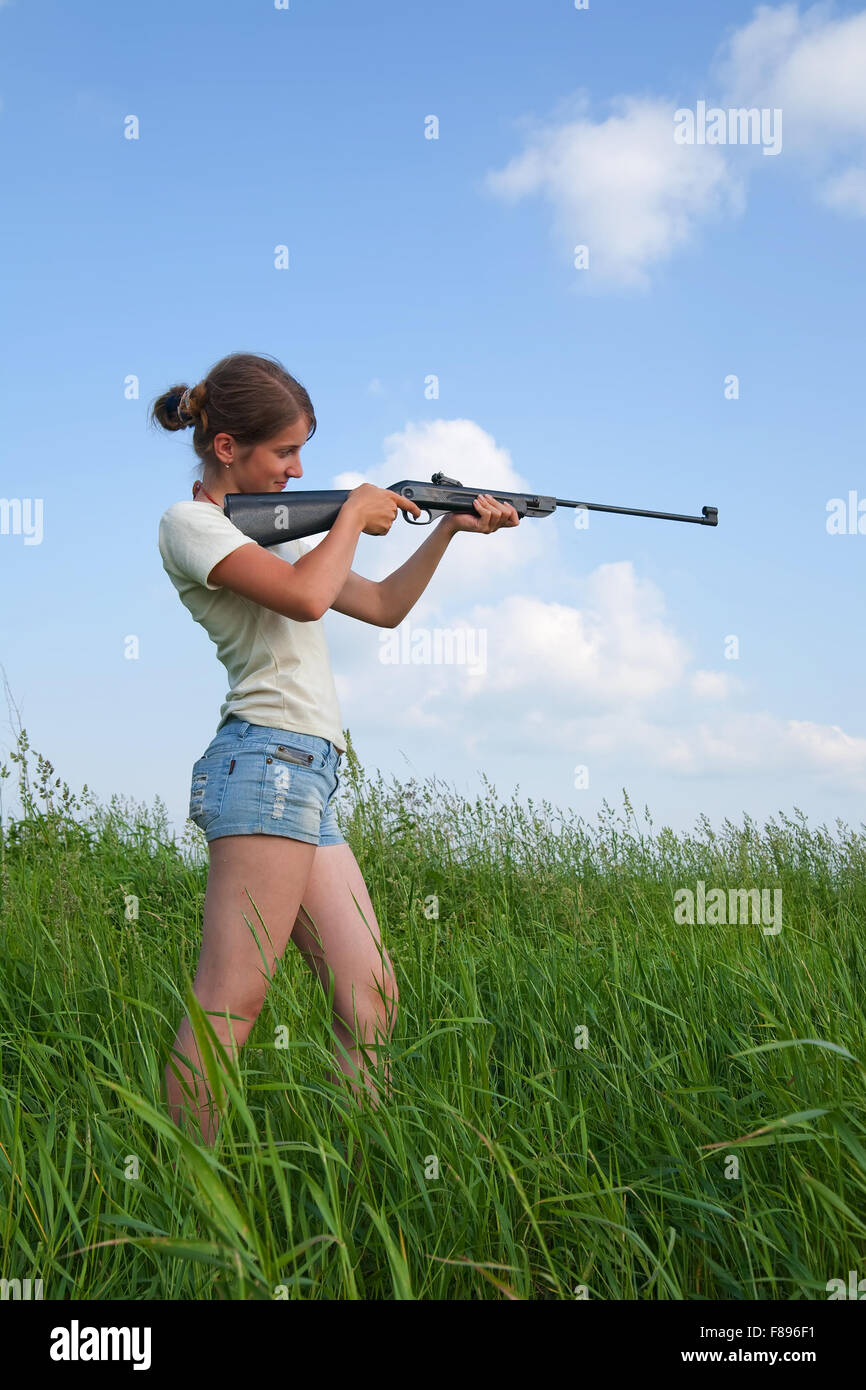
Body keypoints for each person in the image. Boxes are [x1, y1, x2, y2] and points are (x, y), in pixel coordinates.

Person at [152, 351, 519, 1146]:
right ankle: (184, 1192)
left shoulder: (281, 538)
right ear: (226, 448)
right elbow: (309, 599)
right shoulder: (193, 526)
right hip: (263, 761)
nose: (296, 469)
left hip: (308, 775)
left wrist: (448, 527)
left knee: (369, 995)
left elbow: (383, 605)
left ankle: (356, 1174)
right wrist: (353, 511)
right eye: (284, 452)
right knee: (231, 1000)